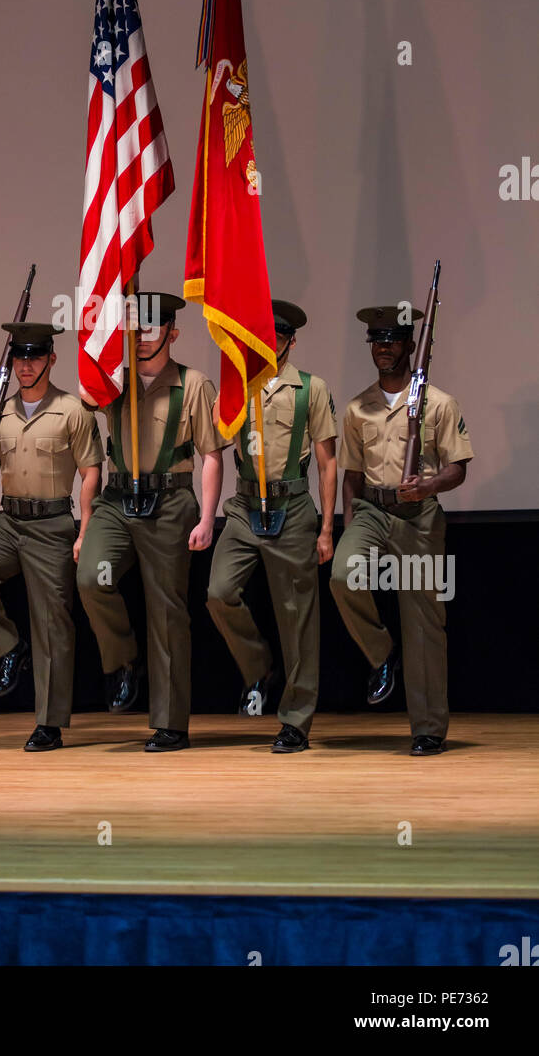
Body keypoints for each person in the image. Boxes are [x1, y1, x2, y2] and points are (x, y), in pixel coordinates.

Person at [76, 292, 227, 752]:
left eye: (152, 329)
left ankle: (170, 723)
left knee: (167, 611)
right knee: (90, 578)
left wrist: (207, 516)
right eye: (135, 329)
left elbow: (212, 455)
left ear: (172, 333)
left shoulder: (193, 384)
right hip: (118, 499)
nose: (141, 338)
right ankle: (123, 661)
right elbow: (85, 402)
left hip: (169, 501)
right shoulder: (114, 382)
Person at [329, 305, 474, 756]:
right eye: (376, 341)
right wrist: (349, 528)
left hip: (420, 517)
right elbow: (351, 474)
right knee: (342, 575)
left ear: (411, 345)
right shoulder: (358, 407)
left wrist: (426, 485)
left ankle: (428, 729)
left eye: (392, 340)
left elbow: (458, 469)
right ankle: (381, 654)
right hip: (373, 509)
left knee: (425, 622)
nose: (383, 348)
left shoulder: (440, 403)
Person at [0, 322, 103, 751]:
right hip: (9, 521)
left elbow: (91, 470)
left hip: (52, 526)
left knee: (52, 623)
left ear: (50, 360)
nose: (25, 366)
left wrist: (86, 531)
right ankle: (11, 646)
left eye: (35, 357)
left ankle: (49, 723)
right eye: (19, 358)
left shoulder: (72, 410)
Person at [206, 300, 338, 752]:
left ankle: (296, 721)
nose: (271, 343)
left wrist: (326, 528)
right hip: (244, 506)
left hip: (293, 504)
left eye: (278, 337)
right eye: (264, 335)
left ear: (290, 341)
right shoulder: (237, 385)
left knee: (297, 617)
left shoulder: (310, 389)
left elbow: (327, 461)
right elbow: (213, 448)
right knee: (219, 593)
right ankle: (260, 667)